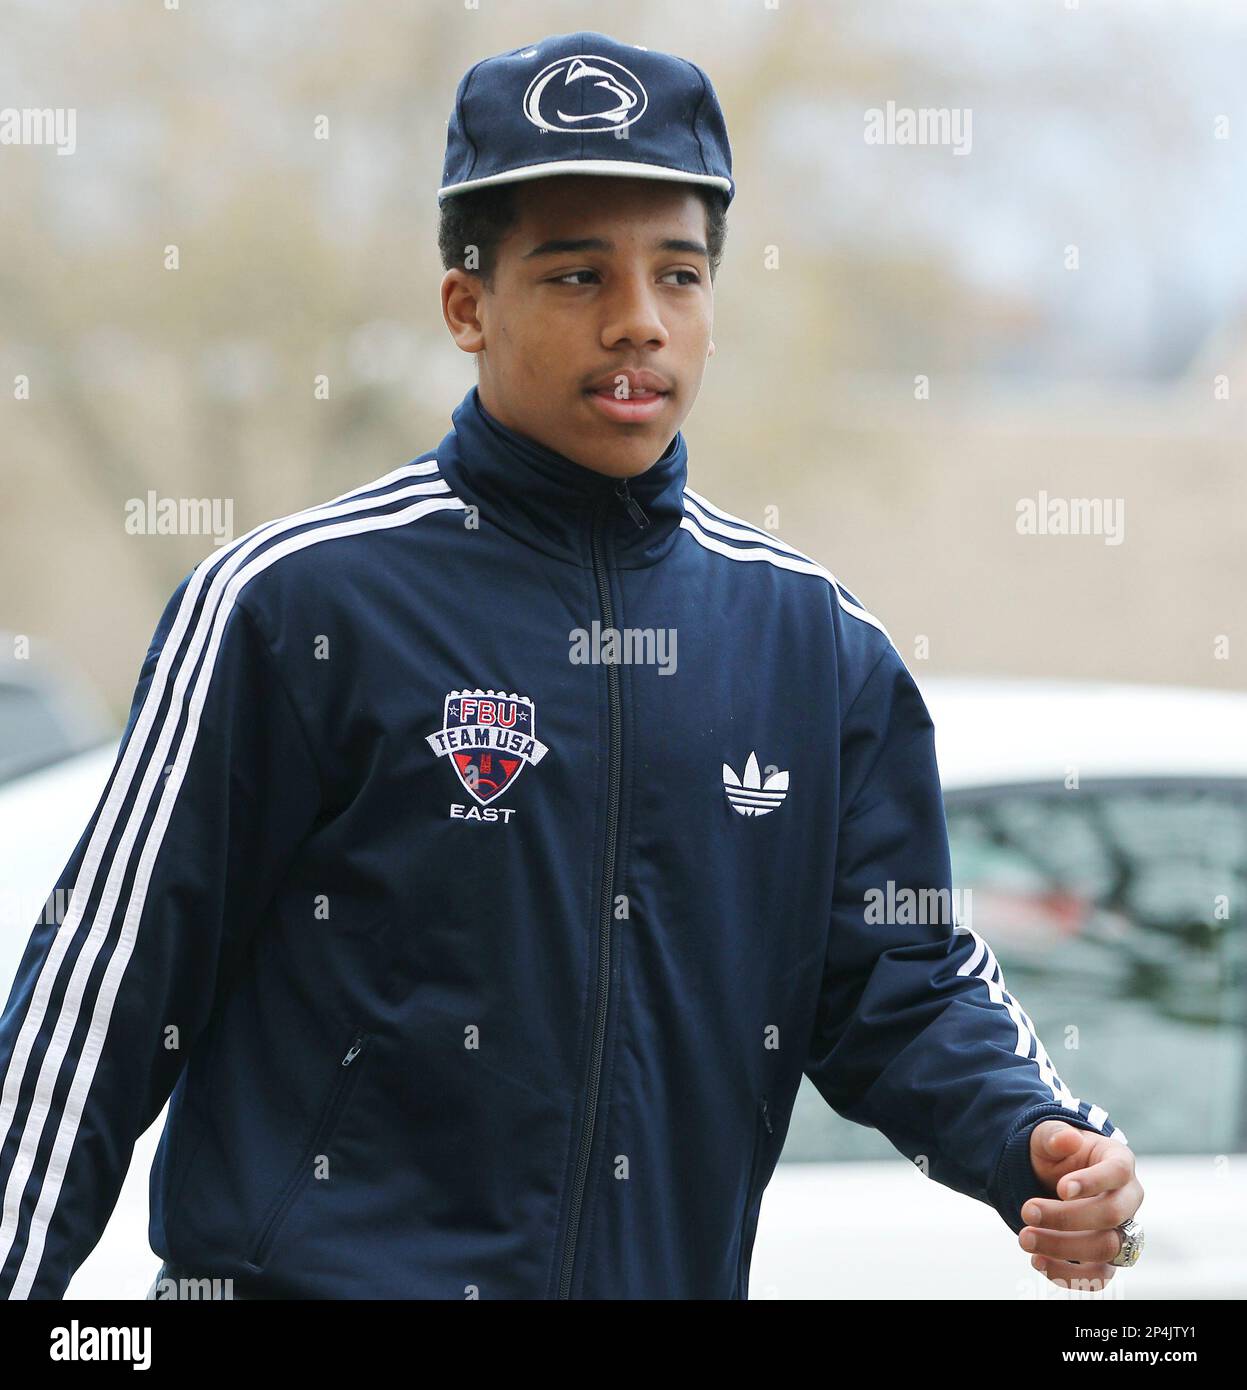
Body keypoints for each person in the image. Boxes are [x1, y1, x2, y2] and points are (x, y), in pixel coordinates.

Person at [0, 30, 1142, 1301]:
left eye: (680, 275)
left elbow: (901, 979)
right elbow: (100, 1002)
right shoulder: (291, 607)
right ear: (464, 304)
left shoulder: (814, 647)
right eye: (576, 274)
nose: (638, 322)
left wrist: (1030, 1138)